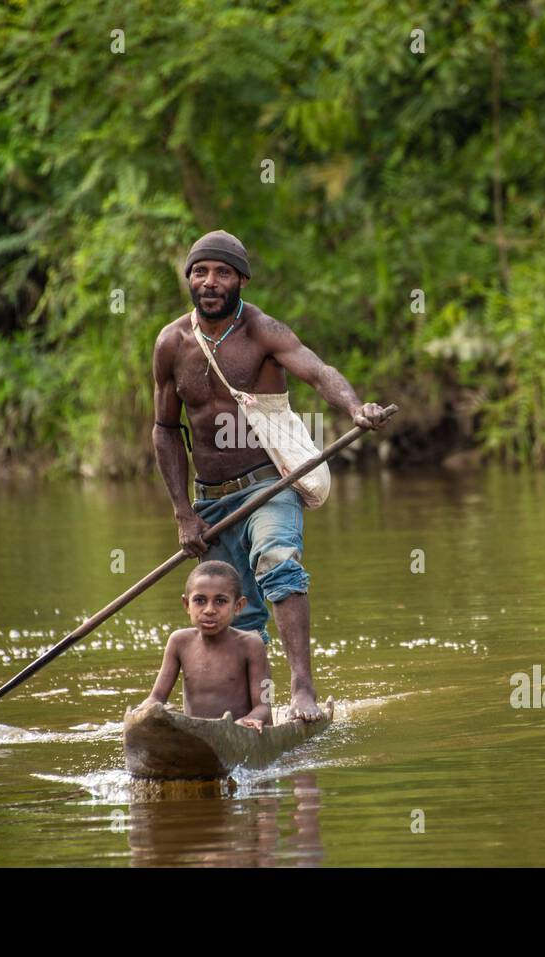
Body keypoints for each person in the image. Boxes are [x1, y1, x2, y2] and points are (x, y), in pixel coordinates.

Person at [151, 228, 388, 721]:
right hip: (210, 499)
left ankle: (304, 691)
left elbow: (318, 371)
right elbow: (164, 430)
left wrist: (353, 406)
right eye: (200, 272)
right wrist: (182, 515)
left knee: (278, 563)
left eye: (222, 273)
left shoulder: (261, 330)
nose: (210, 282)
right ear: (189, 281)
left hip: (269, 482)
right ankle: (246, 715)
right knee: (233, 609)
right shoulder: (171, 343)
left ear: (240, 280)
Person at [134, 560, 272, 732]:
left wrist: (250, 720)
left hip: (238, 732)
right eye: (199, 600)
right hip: (197, 734)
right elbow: (157, 697)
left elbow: (264, 707)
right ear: (186, 605)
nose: (209, 610)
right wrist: (142, 711)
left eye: (220, 601)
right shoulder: (179, 642)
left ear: (238, 606)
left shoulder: (251, 644)